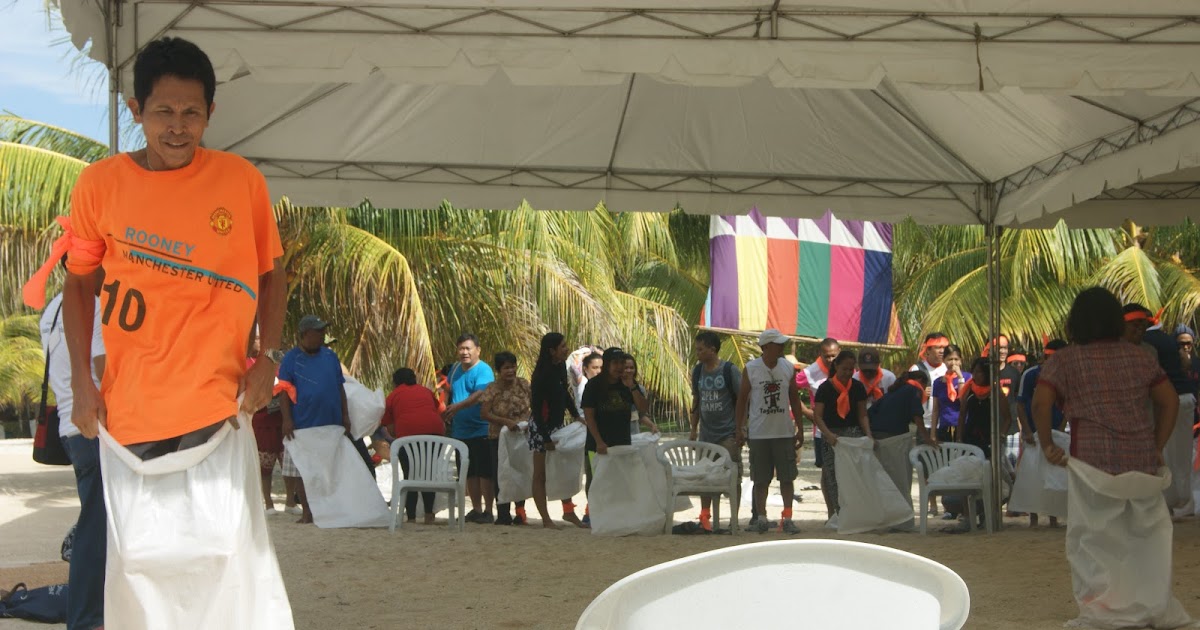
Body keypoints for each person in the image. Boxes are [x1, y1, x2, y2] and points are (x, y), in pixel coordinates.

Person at [47, 36, 292, 629]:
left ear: (211, 113)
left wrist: (269, 358)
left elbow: (272, 271)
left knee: (222, 558)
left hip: (218, 407)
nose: (177, 127)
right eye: (163, 112)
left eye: (191, 113)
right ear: (136, 110)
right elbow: (79, 286)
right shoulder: (99, 186)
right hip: (129, 415)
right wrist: (80, 383)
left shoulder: (240, 181)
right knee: (138, 565)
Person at [1034, 287, 1186, 628]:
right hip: (1141, 459)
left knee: (1095, 540)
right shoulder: (1141, 357)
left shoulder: (1065, 359)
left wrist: (1047, 444)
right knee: (1144, 539)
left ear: (1076, 323)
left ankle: (1106, 609)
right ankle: (1148, 603)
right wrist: (1157, 444)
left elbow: (1041, 403)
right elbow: (1170, 401)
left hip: (1092, 462)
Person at [39, 280, 106, 630]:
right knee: (96, 530)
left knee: (94, 526)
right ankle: (87, 619)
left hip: (70, 426)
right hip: (93, 429)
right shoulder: (91, 304)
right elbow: (101, 367)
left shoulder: (50, 311)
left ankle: (92, 614)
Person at [277, 315, 351, 525]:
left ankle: (329, 509)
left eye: (322, 331)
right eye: (317, 332)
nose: (321, 336)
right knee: (303, 469)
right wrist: (286, 420)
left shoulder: (330, 356)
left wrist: (345, 416)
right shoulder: (291, 359)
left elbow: (340, 387)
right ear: (304, 334)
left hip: (331, 422)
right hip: (302, 423)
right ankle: (307, 511)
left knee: (330, 468)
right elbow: (284, 392)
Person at [736, 329, 805, 534]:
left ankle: (788, 517)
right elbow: (741, 399)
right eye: (778, 344)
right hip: (759, 433)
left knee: (787, 477)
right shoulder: (751, 369)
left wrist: (799, 428)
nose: (781, 347)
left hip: (783, 431)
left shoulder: (788, 367)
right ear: (766, 347)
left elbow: (794, 398)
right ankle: (762, 517)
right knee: (760, 478)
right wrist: (739, 427)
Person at [1130, 305, 1195, 517]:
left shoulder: (1148, 344)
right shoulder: (1165, 339)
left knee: (1169, 455)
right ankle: (1180, 503)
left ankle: (1179, 504)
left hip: (1172, 401)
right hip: (1181, 400)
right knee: (1179, 456)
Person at [528, 332, 586, 529]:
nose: (566, 349)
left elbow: (564, 393)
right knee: (540, 474)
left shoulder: (561, 366)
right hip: (541, 427)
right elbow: (535, 408)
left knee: (563, 469)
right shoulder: (541, 374)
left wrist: (576, 415)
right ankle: (545, 518)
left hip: (557, 424)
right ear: (551, 350)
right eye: (562, 346)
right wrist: (544, 437)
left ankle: (568, 511)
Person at [689, 331, 743, 532]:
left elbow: (742, 400)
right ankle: (705, 517)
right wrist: (693, 429)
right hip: (706, 434)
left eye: (701, 349)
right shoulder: (697, 372)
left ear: (713, 349)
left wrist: (740, 429)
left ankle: (733, 519)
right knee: (705, 477)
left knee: (732, 475)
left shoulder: (729, 370)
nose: (698, 353)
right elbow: (696, 401)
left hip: (727, 434)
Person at [811, 350, 873, 522]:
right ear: (836, 366)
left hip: (853, 434)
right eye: (844, 369)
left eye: (851, 369)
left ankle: (854, 511)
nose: (847, 373)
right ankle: (835, 513)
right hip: (832, 436)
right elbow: (818, 416)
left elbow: (862, 415)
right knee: (832, 476)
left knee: (854, 475)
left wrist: (868, 435)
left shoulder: (858, 387)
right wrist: (829, 435)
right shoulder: (825, 388)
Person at [442, 333, 497, 523]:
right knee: (468, 471)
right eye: (461, 349)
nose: (464, 352)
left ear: (477, 350)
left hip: (481, 428)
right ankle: (476, 509)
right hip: (460, 429)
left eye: (468, 348)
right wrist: (445, 406)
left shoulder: (484, 370)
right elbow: (450, 388)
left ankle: (489, 510)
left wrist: (458, 406)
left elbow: (481, 393)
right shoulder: (455, 368)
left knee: (485, 472)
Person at [379, 367, 445, 525]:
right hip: (435, 435)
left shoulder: (393, 395)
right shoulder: (426, 391)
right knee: (428, 475)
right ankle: (429, 515)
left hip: (408, 439)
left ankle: (412, 517)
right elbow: (439, 410)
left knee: (410, 476)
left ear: (396, 382)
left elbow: (388, 425)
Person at [1015, 338, 1068, 528]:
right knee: (1032, 475)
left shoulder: (1067, 375)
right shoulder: (1030, 374)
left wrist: (1061, 428)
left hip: (1056, 432)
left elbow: (1069, 405)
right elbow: (1020, 403)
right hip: (1034, 433)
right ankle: (1034, 518)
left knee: (1054, 476)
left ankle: (1054, 517)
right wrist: (1027, 430)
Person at [480, 351, 532, 525]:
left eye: (512, 367)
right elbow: (485, 413)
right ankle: (503, 513)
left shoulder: (524, 384)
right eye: (506, 368)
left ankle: (520, 512)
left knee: (521, 472)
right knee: (501, 473)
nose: (510, 371)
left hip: (522, 436)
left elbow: (534, 405)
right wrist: (505, 422)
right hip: (498, 437)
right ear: (499, 370)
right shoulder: (492, 389)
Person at [582, 348, 649, 455]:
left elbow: (642, 409)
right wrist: (599, 442)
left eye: (622, 362)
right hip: (598, 447)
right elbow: (589, 417)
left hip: (623, 445)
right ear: (607, 364)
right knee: (597, 472)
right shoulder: (594, 385)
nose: (619, 367)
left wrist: (631, 386)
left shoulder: (628, 383)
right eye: (615, 363)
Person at [927, 343, 964, 516]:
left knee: (961, 466)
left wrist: (960, 378)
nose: (953, 363)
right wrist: (933, 432)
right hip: (945, 427)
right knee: (945, 466)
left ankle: (961, 504)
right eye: (950, 359)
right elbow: (935, 409)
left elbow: (964, 401)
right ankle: (948, 506)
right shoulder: (938, 382)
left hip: (961, 427)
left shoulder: (968, 377)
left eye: (956, 359)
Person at [797, 338, 836, 468]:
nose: (830, 360)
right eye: (827, 356)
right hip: (821, 431)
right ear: (820, 354)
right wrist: (806, 411)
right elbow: (787, 388)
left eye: (833, 356)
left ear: (839, 353)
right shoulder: (809, 372)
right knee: (825, 470)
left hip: (844, 429)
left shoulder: (847, 369)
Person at [909, 332, 950, 436]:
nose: (942, 351)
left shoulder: (948, 369)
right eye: (937, 347)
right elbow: (908, 396)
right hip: (922, 425)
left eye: (944, 347)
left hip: (943, 424)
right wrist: (921, 394)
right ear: (927, 350)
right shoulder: (916, 369)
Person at [624, 356, 659, 436]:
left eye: (631, 368)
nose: (629, 370)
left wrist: (652, 425)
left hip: (634, 435)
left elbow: (641, 415)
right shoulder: (612, 389)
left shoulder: (639, 389)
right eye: (626, 368)